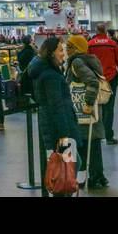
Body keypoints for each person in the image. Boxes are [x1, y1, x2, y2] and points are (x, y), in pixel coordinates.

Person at [27, 36, 82, 197]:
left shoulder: (45, 71)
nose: (63, 54)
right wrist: (64, 134)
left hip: (55, 126)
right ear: (51, 53)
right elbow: (56, 106)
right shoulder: (50, 75)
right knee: (67, 167)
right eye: (60, 50)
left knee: (66, 165)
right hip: (59, 129)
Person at [66, 34, 109, 189]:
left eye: (69, 47)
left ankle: (88, 177)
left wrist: (88, 103)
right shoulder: (90, 59)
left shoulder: (77, 62)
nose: (66, 49)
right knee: (94, 143)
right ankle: (98, 176)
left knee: (84, 144)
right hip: (93, 109)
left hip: (83, 109)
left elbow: (91, 82)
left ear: (76, 48)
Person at [87, 23, 118, 145]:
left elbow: (86, 61)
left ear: (96, 30)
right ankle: (109, 136)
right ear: (105, 31)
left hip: (94, 79)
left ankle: (97, 135)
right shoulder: (112, 44)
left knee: (95, 106)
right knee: (109, 107)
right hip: (110, 78)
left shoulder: (90, 44)